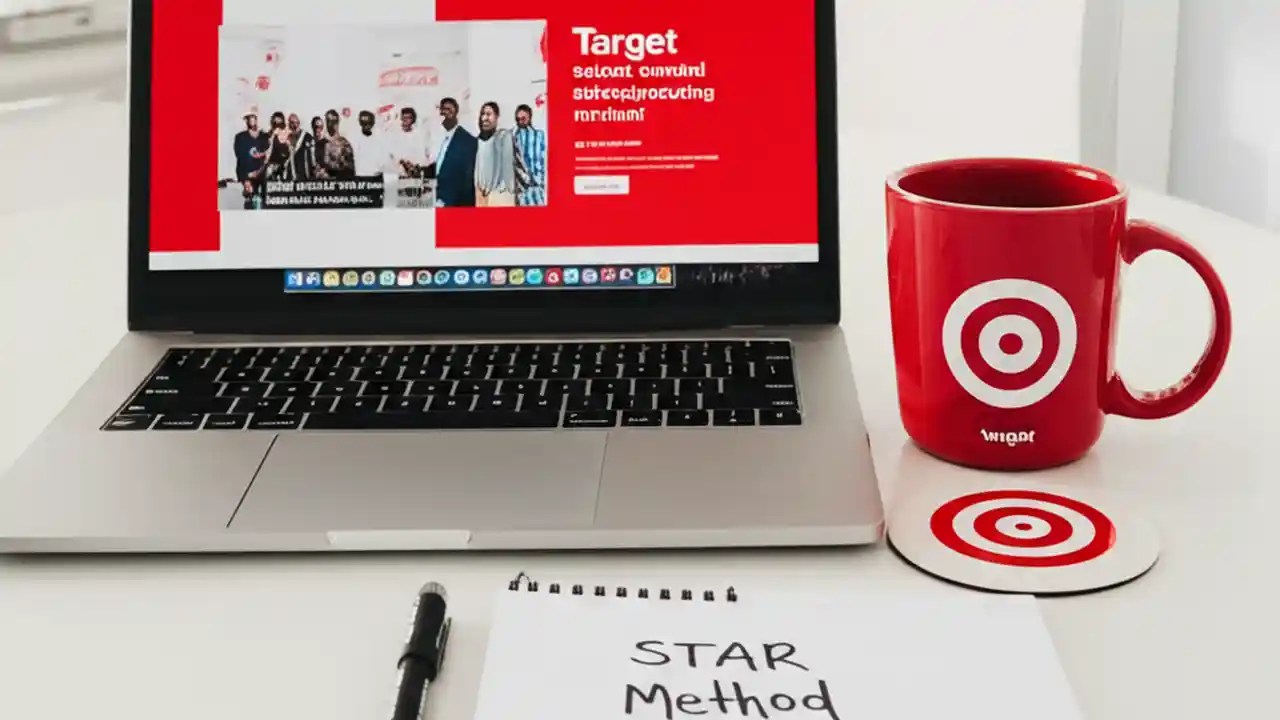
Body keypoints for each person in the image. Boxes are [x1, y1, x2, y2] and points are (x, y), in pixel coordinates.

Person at [473, 102, 531, 207]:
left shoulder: (504, 137)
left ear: (496, 117)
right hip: (480, 197)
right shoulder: (476, 142)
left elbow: (517, 165)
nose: (484, 118)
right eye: (482, 114)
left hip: (502, 195)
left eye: (488, 114)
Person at [430, 97, 477, 207]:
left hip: (453, 204)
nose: (445, 113)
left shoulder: (468, 141)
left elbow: (466, 181)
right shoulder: (439, 138)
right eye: (443, 110)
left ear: (456, 113)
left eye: (449, 110)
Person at [233, 112, 270, 209]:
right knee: (251, 204)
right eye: (249, 118)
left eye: (254, 118)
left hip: (264, 178)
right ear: (246, 121)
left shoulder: (265, 136)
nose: (252, 121)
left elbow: (269, 156)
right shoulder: (240, 137)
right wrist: (245, 177)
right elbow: (240, 159)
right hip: (249, 177)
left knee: (266, 205)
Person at [513, 104, 547, 206]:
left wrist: (541, 180)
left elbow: (546, 160)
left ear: (529, 117)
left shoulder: (540, 135)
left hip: (538, 188)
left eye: (523, 118)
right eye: (518, 119)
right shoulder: (513, 137)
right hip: (521, 191)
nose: (520, 121)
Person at [387, 107, 433, 179]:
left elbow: (423, 154)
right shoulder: (394, 134)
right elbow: (392, 154)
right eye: (403, 117)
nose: (405, 120)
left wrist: (416, 166)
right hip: (400, 172)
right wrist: (402, 164)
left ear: (413, 120)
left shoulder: (418, 135)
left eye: (408, 118)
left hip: (417, 171)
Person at [317, 109, 355, 179]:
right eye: (329, 121)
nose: (331, 124)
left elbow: (350, 167)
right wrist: (321, 173)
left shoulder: (345, 143)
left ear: (338, 122)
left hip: (340, 181)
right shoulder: (320, 144)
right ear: (326, 122)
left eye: (334, 121)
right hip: (324, 182)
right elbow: (315, 166)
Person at [350, 110, 386, 177]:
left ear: (373, 123)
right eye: (364, 123)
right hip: (360, 176)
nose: (367, 126)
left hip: (375, 176)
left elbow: (382, 161)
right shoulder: (354, 139)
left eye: (369, 123)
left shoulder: (378, 140)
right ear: (360, 123)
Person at [263, 111, 292, 180]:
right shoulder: (271, 134)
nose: (277, 124)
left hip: (284, 163)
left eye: (279, 121)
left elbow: (291, 148)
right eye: (275, 122)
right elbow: (268, 149)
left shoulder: (288, 133)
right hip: (272, 163)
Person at [286, 113, 314, 180]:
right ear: (289, 124)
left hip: (305, 175)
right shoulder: (287, 138)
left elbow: (313, 157)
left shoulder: (307, 137)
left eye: (297, 123)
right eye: (292, 123)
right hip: (291, 175)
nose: (295, 125)